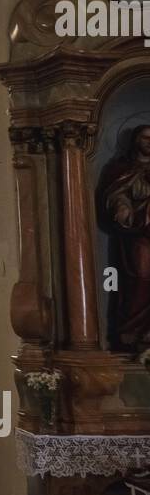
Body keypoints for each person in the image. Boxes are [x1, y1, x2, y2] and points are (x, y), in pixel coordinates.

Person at [97, 124, 150, 352]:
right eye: (145, 137)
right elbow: (114, 194)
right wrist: (123, 206)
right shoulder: (122, 168)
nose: (149, 142)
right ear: (135, 141)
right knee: (140, 276)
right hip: (137, 234)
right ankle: (132, 332)